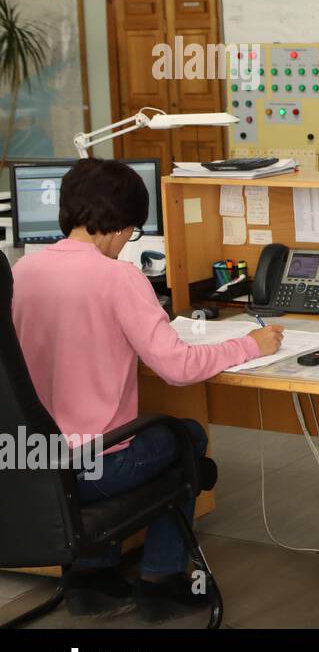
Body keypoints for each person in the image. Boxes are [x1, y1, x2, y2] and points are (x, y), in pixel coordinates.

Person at [12, 157, 284, 622]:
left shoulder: (21, 272)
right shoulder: (118, 277)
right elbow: (177, 367)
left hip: (30, 463)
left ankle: (92, 578)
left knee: (144, 437)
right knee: (187, 438)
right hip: (94, 468)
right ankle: (162, 582)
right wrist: (249, 344)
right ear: (119, 226)